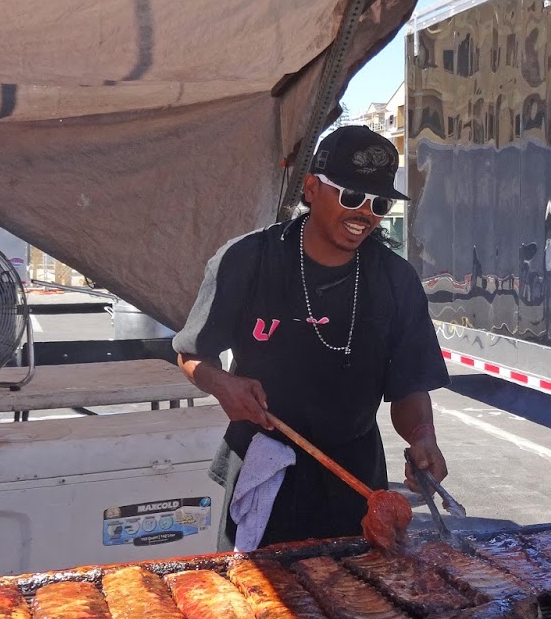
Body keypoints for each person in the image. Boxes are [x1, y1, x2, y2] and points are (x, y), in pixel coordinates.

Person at [174, 125, 450, 547]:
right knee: (253, 601)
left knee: (361, 602)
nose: (365, 214)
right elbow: (193, 354)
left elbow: (409, 385)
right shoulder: (247, 260)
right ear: (311, 189)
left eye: (378, 203)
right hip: (262, 466)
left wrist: (422, 436)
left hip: (355, 475)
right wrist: (221, 384)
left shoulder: (395, 279)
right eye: (352, 197)